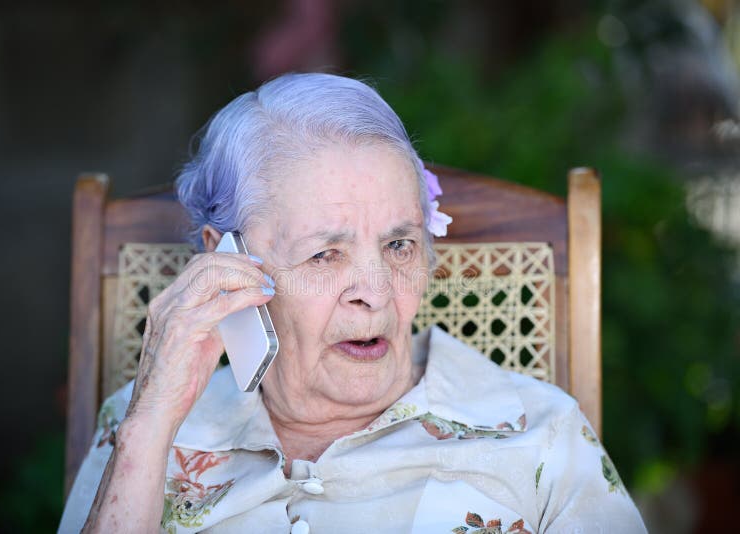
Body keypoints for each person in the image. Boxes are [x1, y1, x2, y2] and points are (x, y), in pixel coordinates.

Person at [59, 73, 647, 533]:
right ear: (224, 263)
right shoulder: (143, 425)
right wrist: (149, 423)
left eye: (399, 245)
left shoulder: (540, 434)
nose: (378, 290)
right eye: (325, 255)